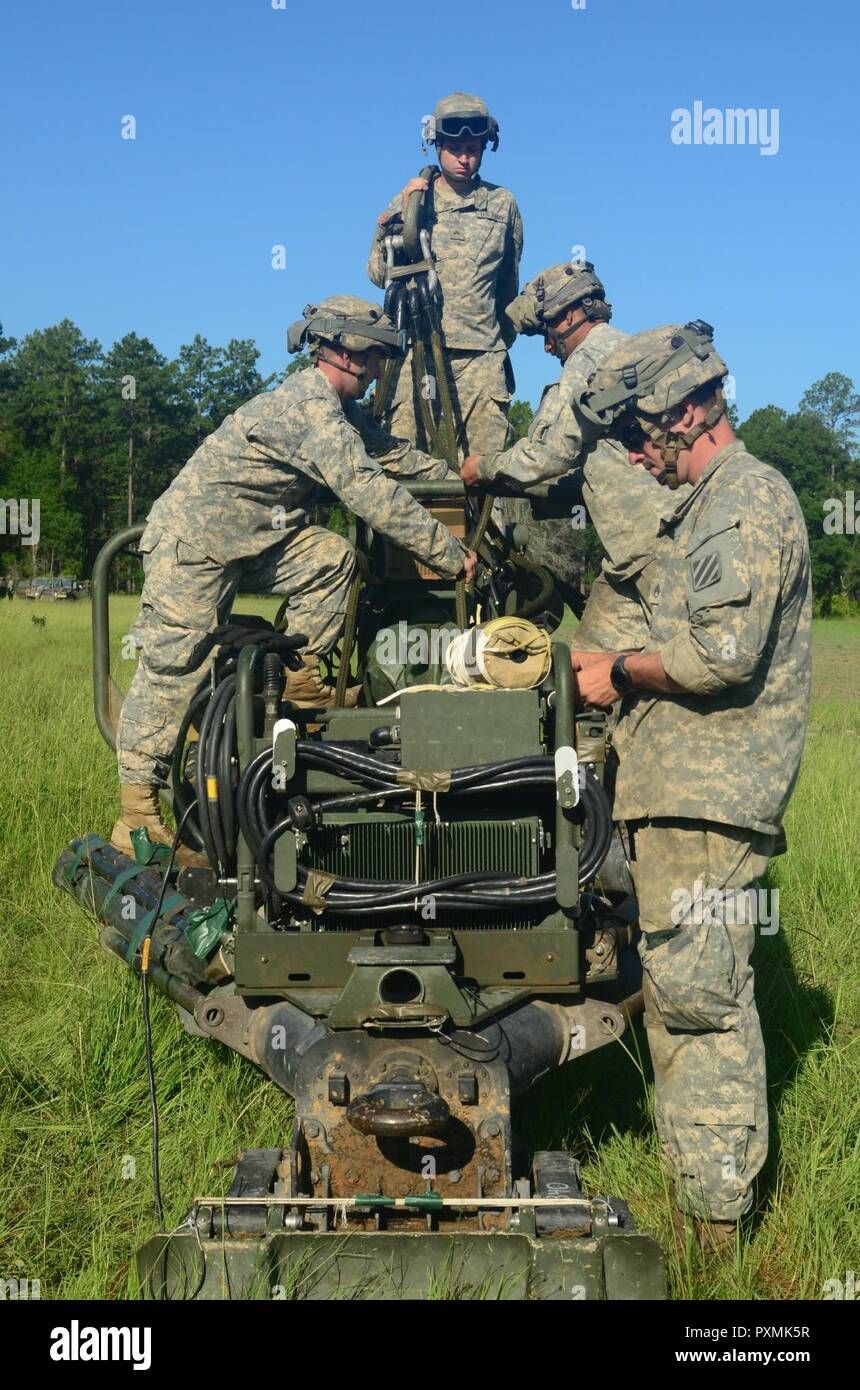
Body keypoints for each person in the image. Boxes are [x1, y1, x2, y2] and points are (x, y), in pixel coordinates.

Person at [573, 320, 812, 1249]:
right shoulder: (708, 504)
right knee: (679, 999)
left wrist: (618, 673)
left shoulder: (742, 499)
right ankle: (703, 1202)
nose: (638, 454)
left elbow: (722, 653)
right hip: (681, 794)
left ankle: (716, 1231)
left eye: (643, 434)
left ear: (689, 412)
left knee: (702, 1008)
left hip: (708, 797)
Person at [113, 296, 476, 863]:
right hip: (194, 545)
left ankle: (300, 685)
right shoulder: (311, 412)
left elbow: (391, 458)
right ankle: (136, 812)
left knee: (330, 557)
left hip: (252, 539)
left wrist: (459, 484)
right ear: (350, 353)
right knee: (174, 664)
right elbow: (369, 492)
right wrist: (449, 553)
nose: (381, 370)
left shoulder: (340, 413)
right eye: (378, 357)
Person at [460, 261, 674, 649]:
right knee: (588, 663)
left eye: (548, 329)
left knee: (668, 668)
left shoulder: (588, 361)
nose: (546, 345)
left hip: (651, 551)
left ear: (574, 313)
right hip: (644, 552)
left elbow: (549, 453)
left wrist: (484, 467)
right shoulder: (631, 350)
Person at [367, 92, 523, 458]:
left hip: (480, 360)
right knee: (404, 462)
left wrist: (498, 344)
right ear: (435, 146)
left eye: (472, 148)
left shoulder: (503, 204)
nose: (465, 158)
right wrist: (400, 217)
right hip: (413, 355)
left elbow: (507, 288)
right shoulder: (410, 199)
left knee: (487, 473)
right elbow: (377, 273)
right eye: (455, 149)